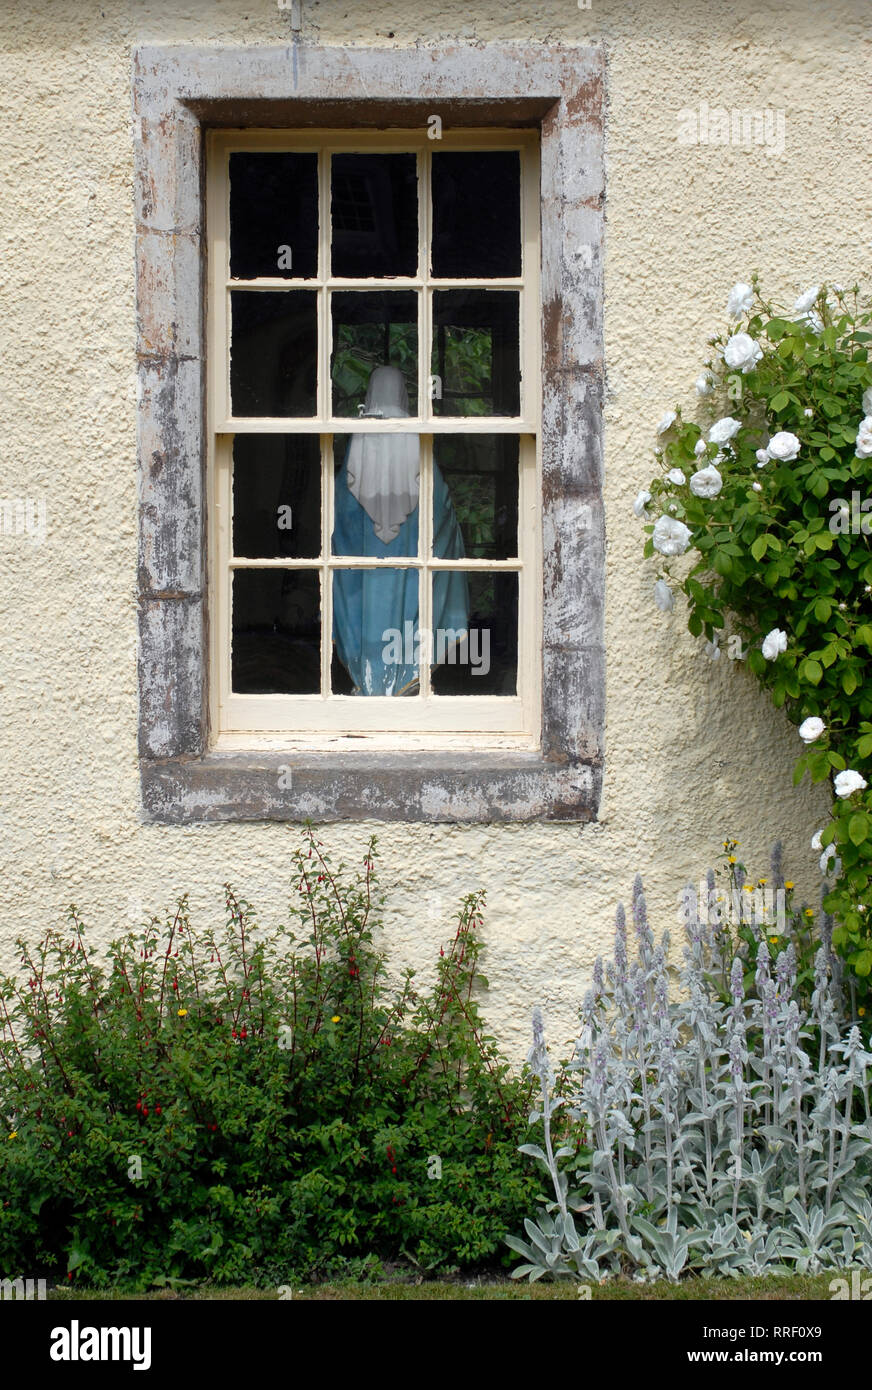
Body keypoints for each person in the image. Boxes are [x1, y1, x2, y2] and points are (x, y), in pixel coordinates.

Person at [332, 365, 469, 695]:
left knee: (366, 625)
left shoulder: (358, 440)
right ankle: (408, 677)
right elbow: (440, 509)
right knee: (413, 617)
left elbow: (340, 514)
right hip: (412, 558)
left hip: (363, 570)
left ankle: (367, 681)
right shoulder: (415, 440)